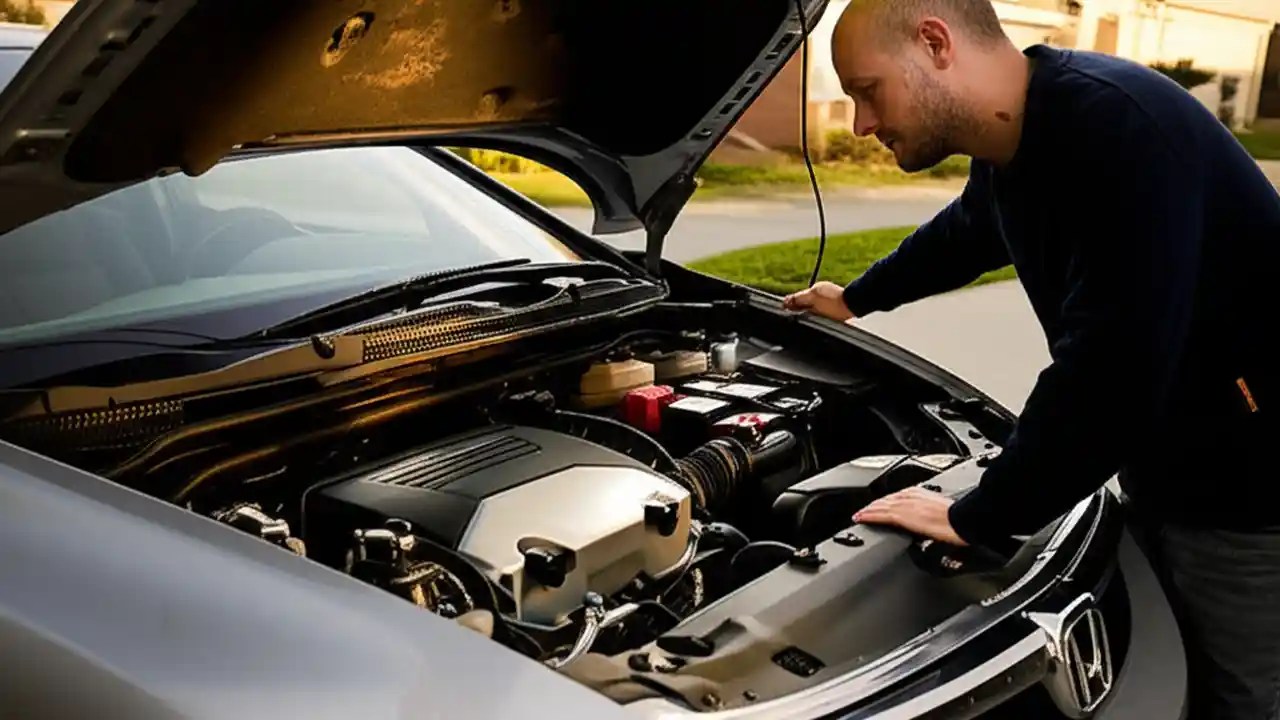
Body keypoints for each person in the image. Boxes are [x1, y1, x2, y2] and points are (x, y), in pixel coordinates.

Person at [781, 1, 1280, 718]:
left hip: (1248, 482)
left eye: (866, 90)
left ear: (934, 42)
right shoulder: (1025, 136)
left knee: (1237, 698)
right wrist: (857, 297)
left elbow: (1108, 372)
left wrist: (981, 515)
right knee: (1174, 668)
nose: (861, 122)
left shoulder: (1117, 134)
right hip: (1170, 457)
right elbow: (970, 229)